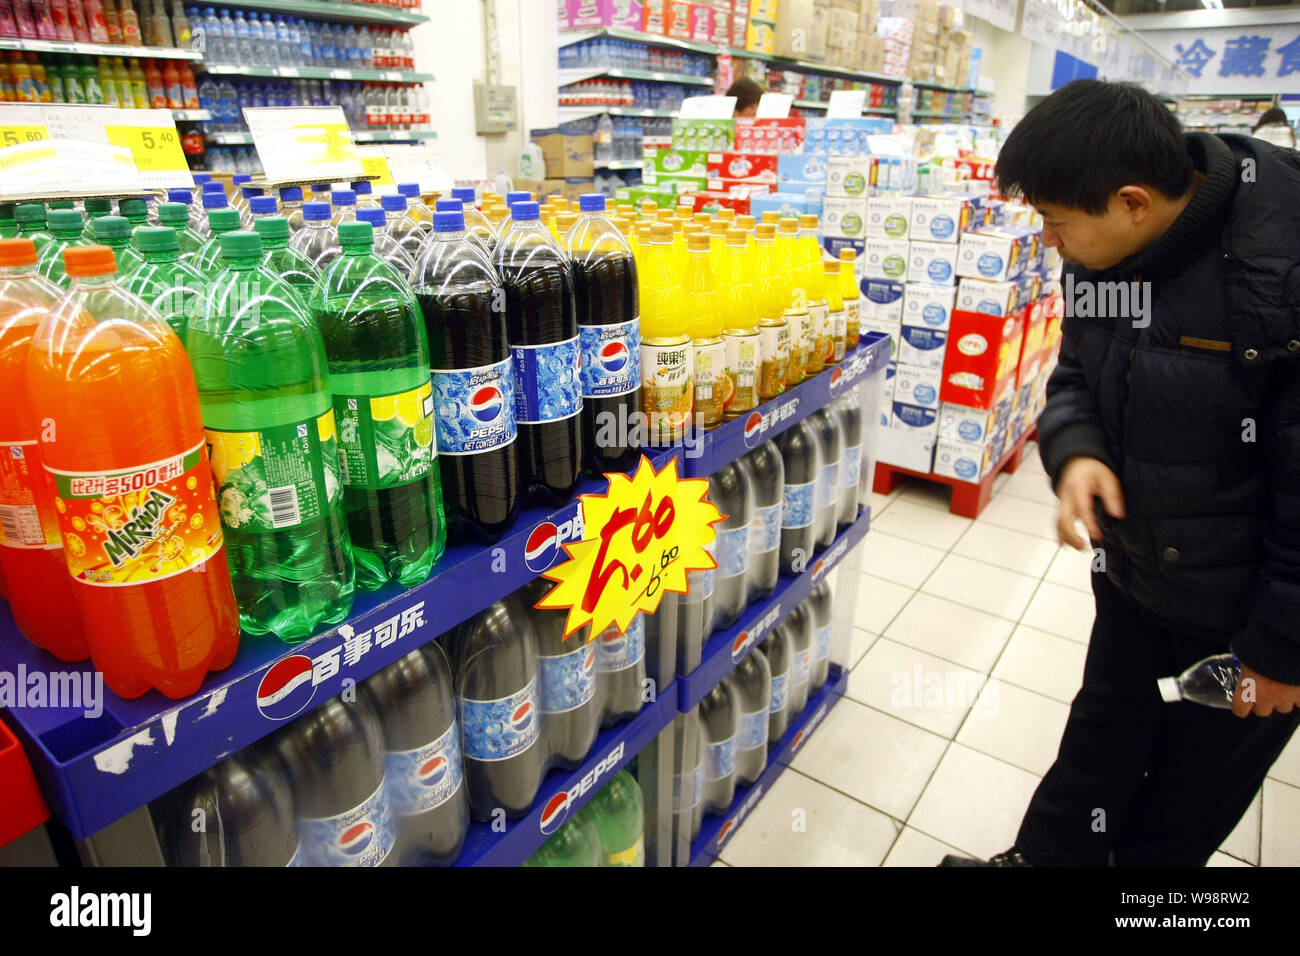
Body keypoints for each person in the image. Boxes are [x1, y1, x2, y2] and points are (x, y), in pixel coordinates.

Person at [941, 80, 1300, 867]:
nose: (1049, 243)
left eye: (1055, 224)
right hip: (1136, 577)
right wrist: (1077, 451)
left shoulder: (1280, 273)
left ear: (1133, 202)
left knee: (1179, 809)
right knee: (1097, 747)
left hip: (1248, 616)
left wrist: (1282, 646)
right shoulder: (1103, 253)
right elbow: (1072, 376)